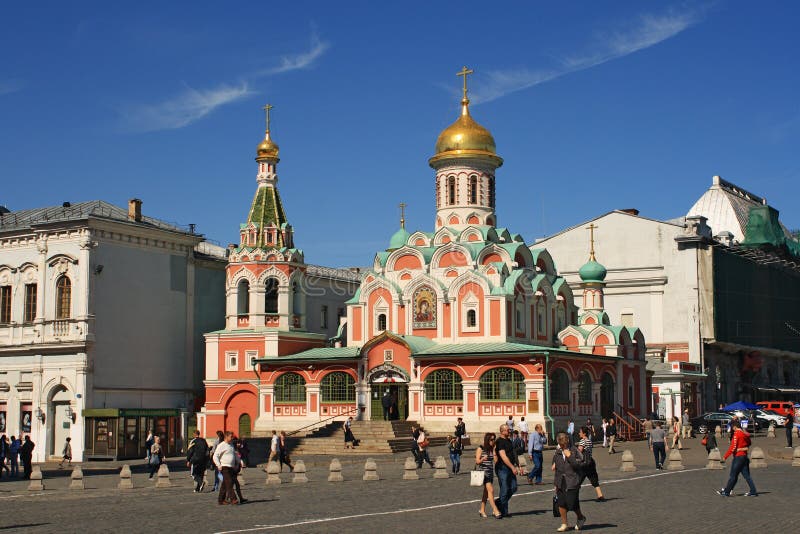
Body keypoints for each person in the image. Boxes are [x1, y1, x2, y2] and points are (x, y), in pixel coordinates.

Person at [552, 432, 588, 532]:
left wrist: (570, 456)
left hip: (572, 480)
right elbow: (555, 465)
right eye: (561, 443)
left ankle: (580, 517)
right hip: (561, 481)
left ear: (567, 441)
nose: (562, 445)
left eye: (564, 443)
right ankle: (564, 524)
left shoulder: (574, 450)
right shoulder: (558, 452)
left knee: (572, 503)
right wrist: (556, 483)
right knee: (561, 503)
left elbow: (579, 465)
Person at [717, 418, 757, 497]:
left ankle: (726, 492)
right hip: (745, 457)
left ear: (735, 427)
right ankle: (753, 491)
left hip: (738, 457)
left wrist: (725, 457)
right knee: (747, 476)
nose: (732, 429)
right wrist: (744, 448)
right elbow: (749, 442)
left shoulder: (736, 434)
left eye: (732, 427)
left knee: (733, 475)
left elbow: (733, 447)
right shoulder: (744, 433)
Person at [494, 423, 521, 518]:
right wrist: (512, 467)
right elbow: (503, 456)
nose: (509, 431)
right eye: (507, 430)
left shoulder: (509, 440)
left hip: (510, 468)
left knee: (513, 487)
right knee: (504, 489)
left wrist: (518, 465)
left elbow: (514, 453)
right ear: (502, 431)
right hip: (502, 468)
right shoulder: (499, 442)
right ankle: (503, 511)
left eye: (509, 430)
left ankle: (499, 502)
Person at [476, 433, 502, 519]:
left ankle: (482, 510)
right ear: (487, 440)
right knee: (491, 490)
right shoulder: (480, 448)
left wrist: (494, 451)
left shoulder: (492, 449)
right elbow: (477, 461)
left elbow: (495, 461)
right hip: (483, 473)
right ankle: (495, 510)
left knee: (486, 492)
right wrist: (483, 459)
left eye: (494, 439)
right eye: (491, 439)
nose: (493, 441)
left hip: (490, 473)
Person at [577, 426, 605, 501]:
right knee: (594, 479)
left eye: (580, 432)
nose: (579, 433)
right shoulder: (589, 440)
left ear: (584, 433)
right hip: (590, 462)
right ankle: (600, 495)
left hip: (584, 463)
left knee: (577, 480)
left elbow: (579, 451)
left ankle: (574, 497)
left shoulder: (582, 441)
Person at [213, 430, 240, 505]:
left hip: (231, 467)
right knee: (229, 482)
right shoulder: (221, 445)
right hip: (224, 467)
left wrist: (238, 461)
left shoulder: (231, 444)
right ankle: (233, 499)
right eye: (231, 437)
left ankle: (221, 500)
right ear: (226, 437)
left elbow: (234, 454)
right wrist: (218, 465)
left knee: (225, 484)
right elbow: (215, 456)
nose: (232, 438)